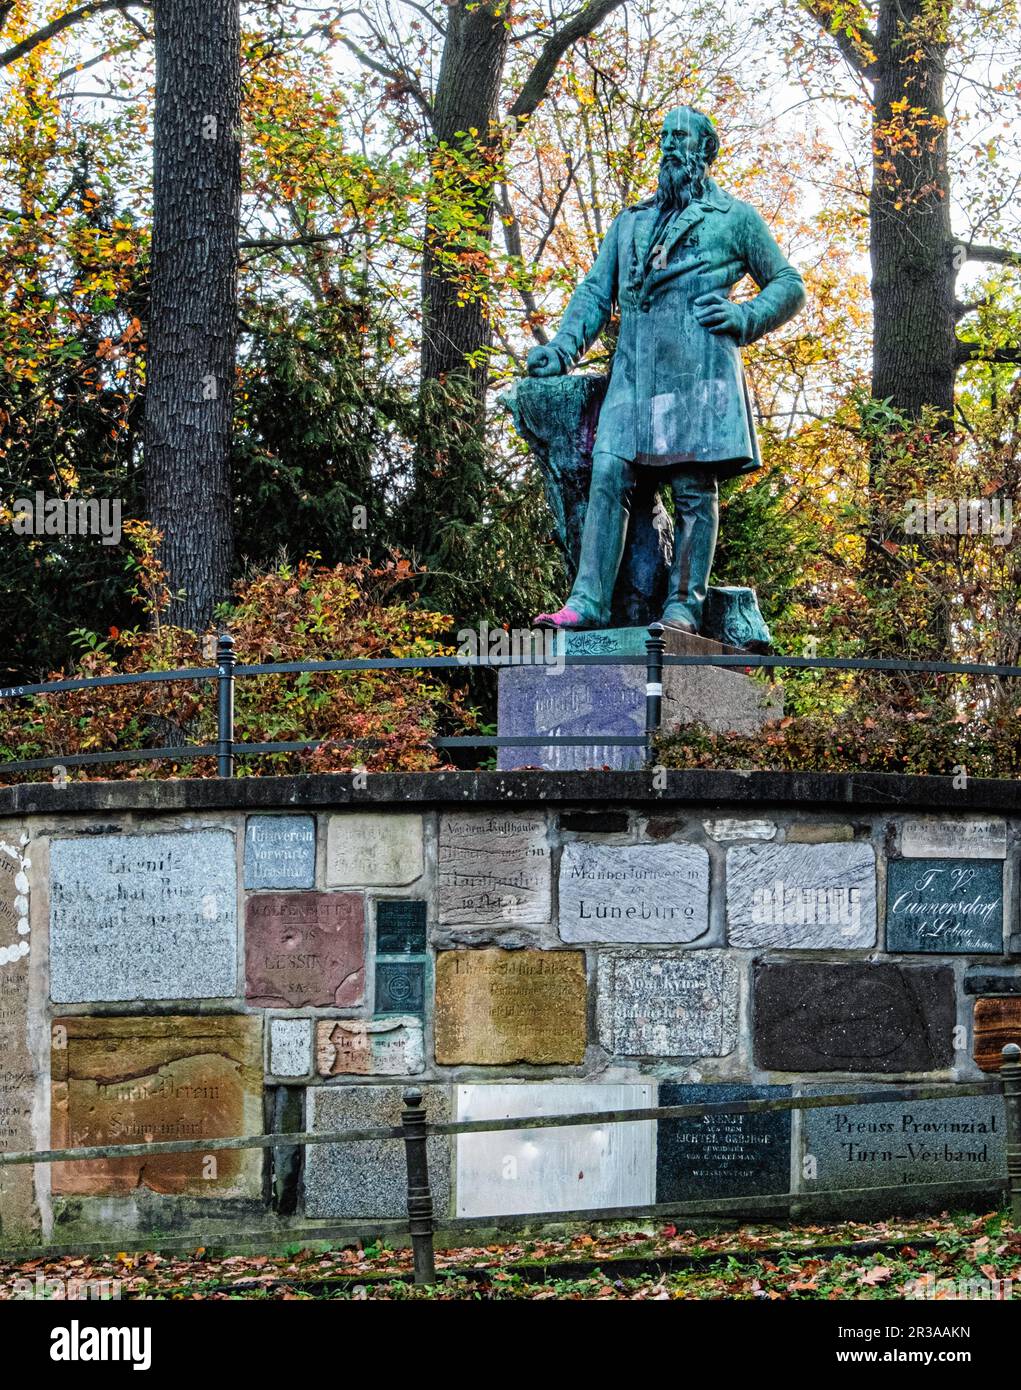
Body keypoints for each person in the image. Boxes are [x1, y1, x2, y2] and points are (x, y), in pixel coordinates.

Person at [528, 105, 806, 633]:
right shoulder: (630, 221)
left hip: (698, 375)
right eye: (664, 137)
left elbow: (789, 284)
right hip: (634, 378)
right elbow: (594, 292)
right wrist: (563, 348)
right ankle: (587, 603)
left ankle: (683, 607)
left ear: (706, 150)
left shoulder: (735, 218)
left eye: (681, 137)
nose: (669, 146)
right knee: (608, 474)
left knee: (693, 491)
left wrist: (744, 316)